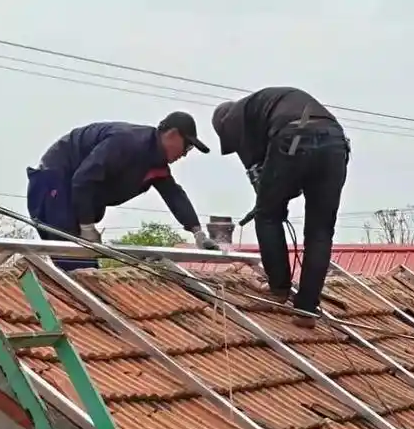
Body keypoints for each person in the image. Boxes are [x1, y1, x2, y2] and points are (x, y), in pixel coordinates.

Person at [211, 87, 350, 324]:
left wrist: (272, 198)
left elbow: (257, 172)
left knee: (267, 216)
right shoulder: (263, 106)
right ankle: (307, 309)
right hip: (336, 143)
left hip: (296, 136)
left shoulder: (234, 117)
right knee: (321, 231)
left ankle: (278, 289)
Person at [26, 112, 221, 270]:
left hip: (73, 196)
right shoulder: (127, 143)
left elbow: (174, 195)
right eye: (186, 146)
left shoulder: (154, 162)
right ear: (172, 134)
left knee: (84, 264)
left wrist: (198, 234)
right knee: (78, 265)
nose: (185, 154)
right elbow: (83, 178)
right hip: (54, 183)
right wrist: (87, 227)